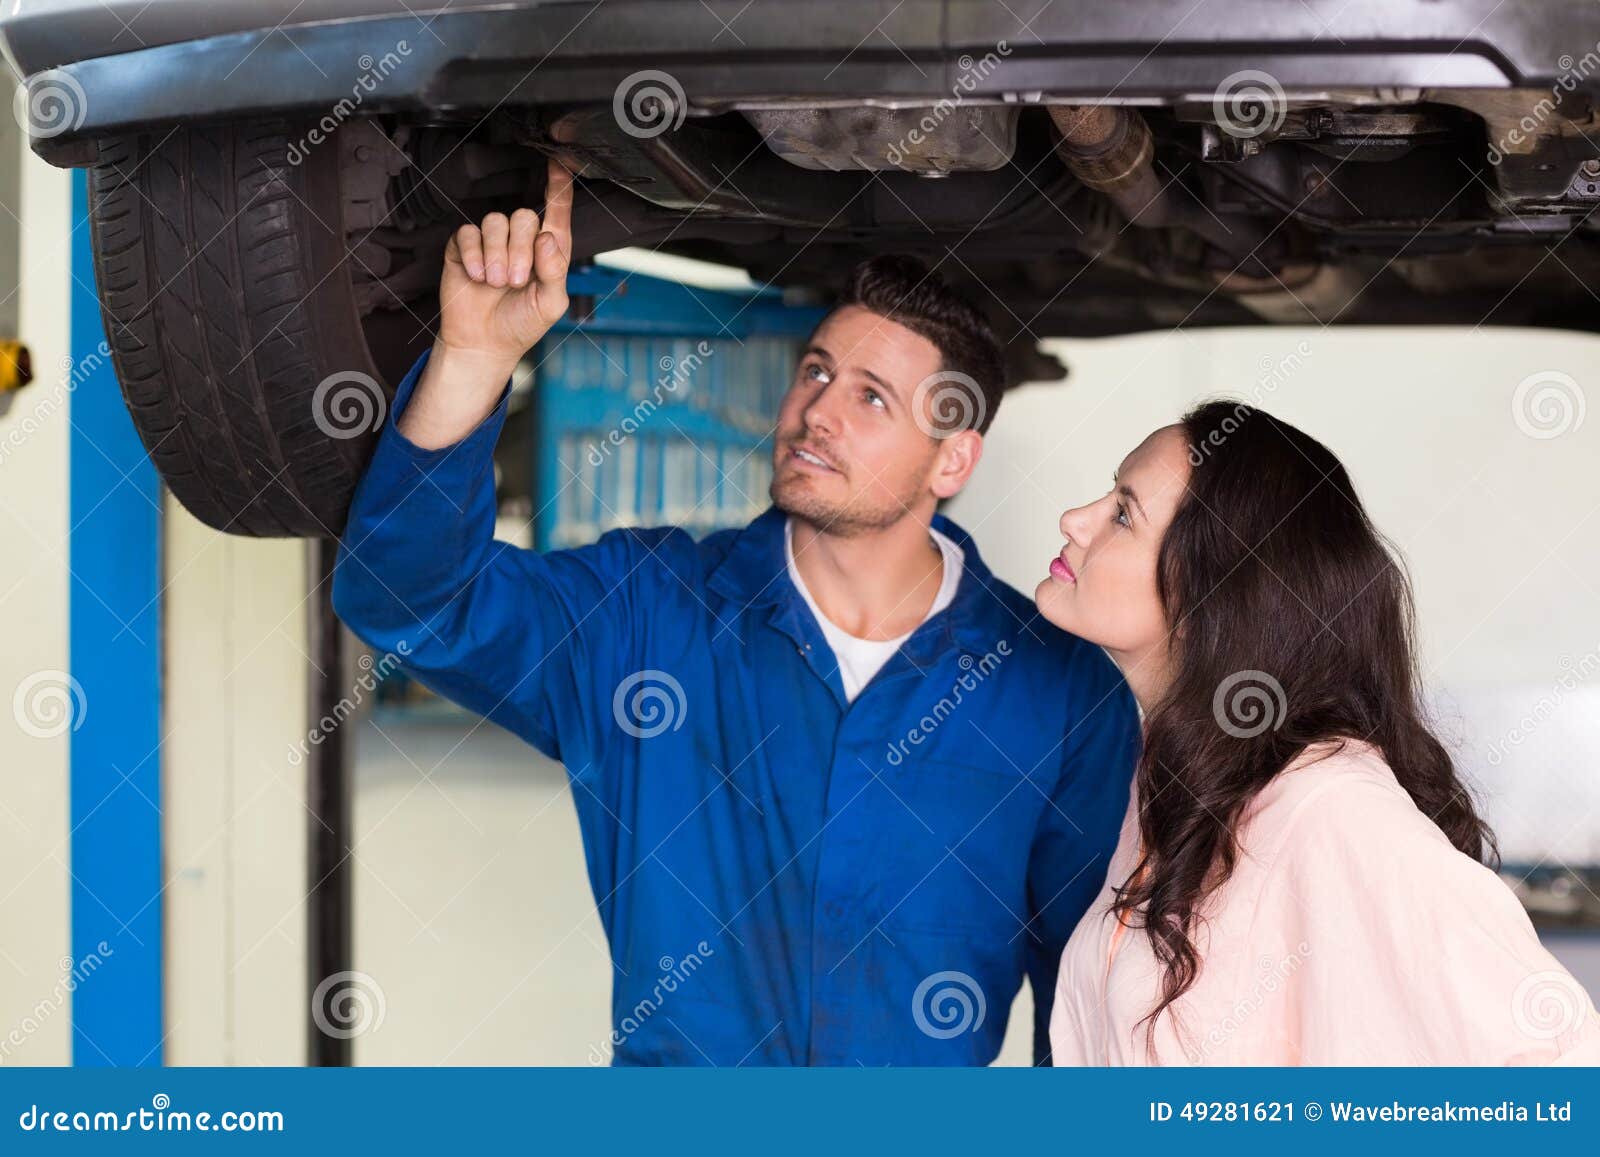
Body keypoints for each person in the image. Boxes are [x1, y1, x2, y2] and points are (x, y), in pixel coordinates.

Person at [331, 158, 1141, 1065]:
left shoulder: (1058, 692)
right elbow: (406, 599)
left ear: (952, 461)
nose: (815, 412)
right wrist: (474, 358)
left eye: (870, 397)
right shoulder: (648, 612)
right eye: (816, 373)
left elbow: (1085, 1000)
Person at [1038, 400, 1600, 1065]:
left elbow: (1558, 1082)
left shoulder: (1331, 809)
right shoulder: (1173, 786)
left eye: (1123, 514)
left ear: (1210, 592)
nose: (1075, 519)